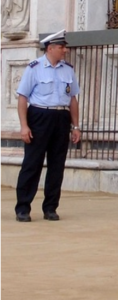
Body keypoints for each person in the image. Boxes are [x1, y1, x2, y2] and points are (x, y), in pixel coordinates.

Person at [14, 30, 81, 222]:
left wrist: (76, 126)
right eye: (61, 47)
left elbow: (73, 99)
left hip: (61, 117)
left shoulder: (68, 69)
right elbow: (22, 97)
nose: (65, 50)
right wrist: (24, 126)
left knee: (57, 165)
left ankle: (50, 207)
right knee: (32, 163)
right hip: (39, 115)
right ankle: (23, 207)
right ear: (50, 48)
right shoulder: (34, 68)